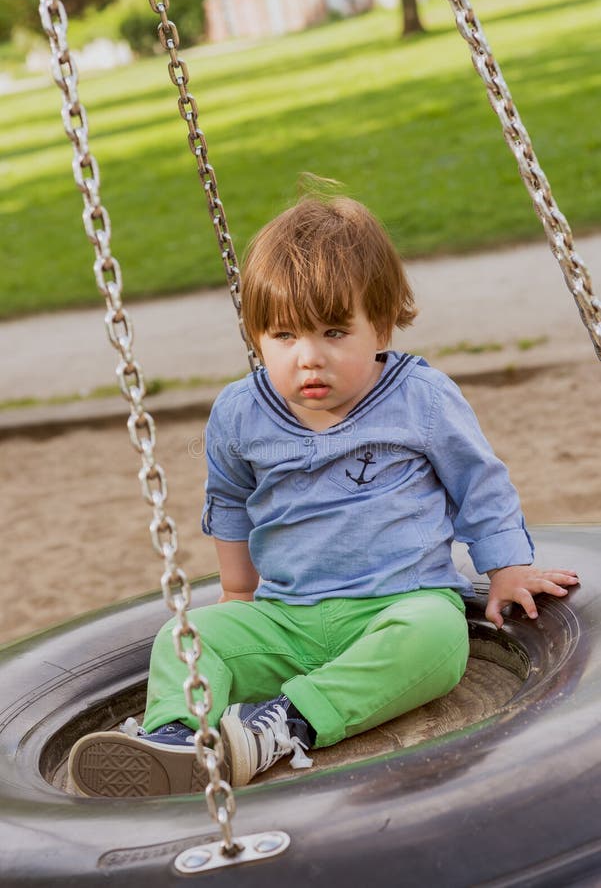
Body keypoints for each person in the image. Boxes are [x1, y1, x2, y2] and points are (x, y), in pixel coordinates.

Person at [68, 187, 578, 798]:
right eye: (284, 336)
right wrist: (237, 592)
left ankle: (284, 725)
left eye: (334, 332)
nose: (309, 358)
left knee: (439, 643)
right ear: (256, 335)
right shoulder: (240, 412)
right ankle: (177, 738)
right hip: (286, 619)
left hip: (397, 605)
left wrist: (507, 567)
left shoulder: (419, 399)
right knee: (189, 637)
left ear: (380, 327)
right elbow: (229, 500)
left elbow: (479, 483)